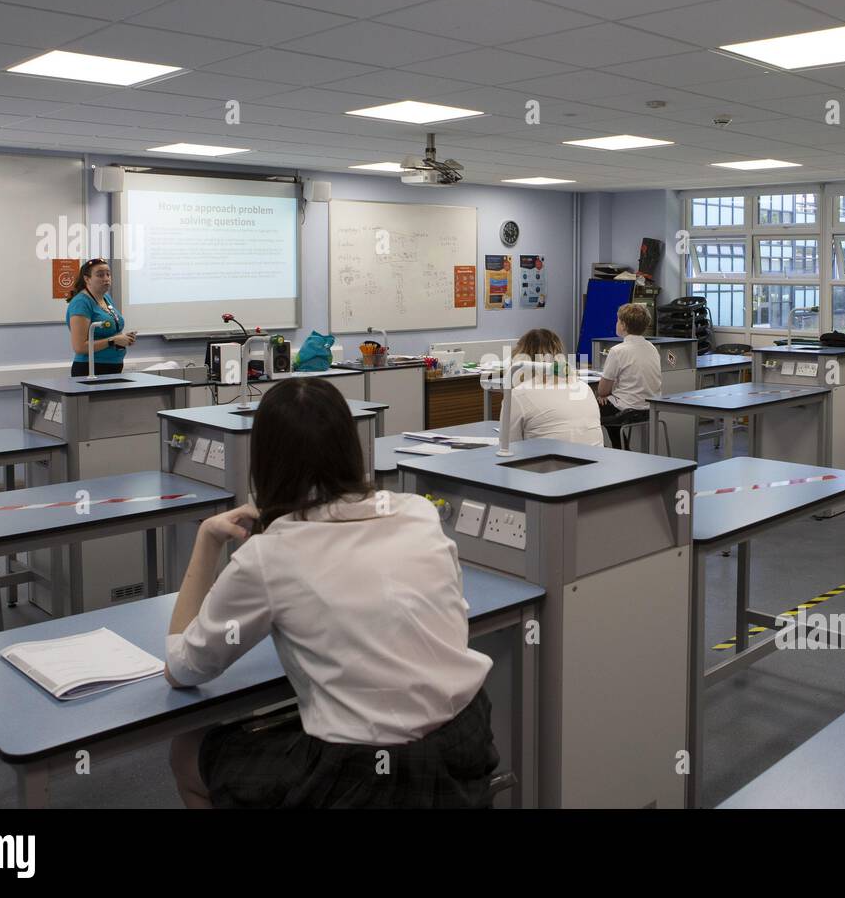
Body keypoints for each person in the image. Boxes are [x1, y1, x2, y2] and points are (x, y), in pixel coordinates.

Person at [165, 378, 498, 808]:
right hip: (465, 741)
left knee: (187, 751)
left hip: (364, 778)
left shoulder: (270, 555)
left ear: (264, 460)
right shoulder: (416, 512)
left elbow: (182, 668)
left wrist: (207, 541)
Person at [500, 328, 603, 447]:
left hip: (555, 463)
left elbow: (509, 446)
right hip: (596, 460)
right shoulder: (584, 387)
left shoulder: (518, 395)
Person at [597, 303, 662, 448]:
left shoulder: (617, 351)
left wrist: (604, 395)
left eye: (618, 320)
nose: (617, 323)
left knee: (592, 408)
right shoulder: (652, 348)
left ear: (623, 325)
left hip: (627, 409)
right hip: (650, 407)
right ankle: (621, 449)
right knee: (608, 408)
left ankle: (619, 450)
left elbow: (602, 391)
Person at [65, 258, 136, 377]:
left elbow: (111, 331)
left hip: (114, 366)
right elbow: (79, 347)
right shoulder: (81, 303)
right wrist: (113, 341)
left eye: (108, 274)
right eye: (100, 275)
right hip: (91, 368)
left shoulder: (106, 298)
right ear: (87, 279)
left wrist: (124, 338)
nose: (106, 278)